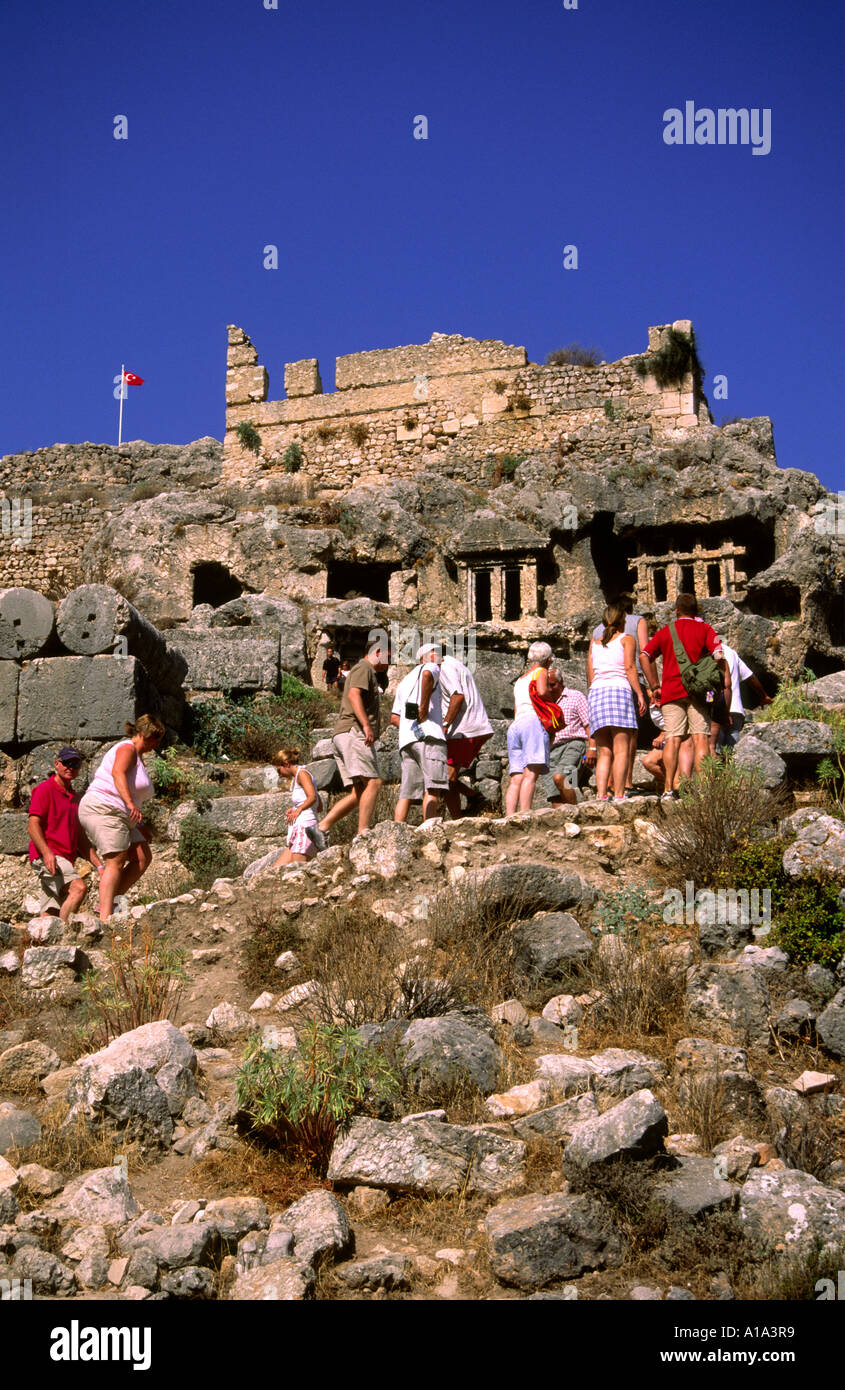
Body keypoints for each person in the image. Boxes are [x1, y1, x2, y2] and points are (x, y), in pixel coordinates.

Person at [640, 593, 731, 799]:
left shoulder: (665, 632)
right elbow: (718, 654)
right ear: (697, 610)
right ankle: (705, 790)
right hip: (699, 692)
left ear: (677, 611)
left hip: (671, 692)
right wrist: (717, 678)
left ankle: (669, 789)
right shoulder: (705, 629)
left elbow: (644, 656)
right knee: (700, 738)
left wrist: (654, 684)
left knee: (672, 739)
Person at [78, 715, 164, 922]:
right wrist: (129, 803)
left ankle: (111, 902)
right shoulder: (127, 749)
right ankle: (106, 919)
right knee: (115, 859)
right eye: (155, 738)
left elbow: (134, 794)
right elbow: (118, 773)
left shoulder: (138, 757)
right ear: (144, 734)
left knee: (142, 857)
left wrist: (140, 824)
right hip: (104, 807)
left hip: (122, 813)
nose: (156, 744)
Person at [317, 638, 390, 838]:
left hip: (343, 734)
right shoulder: (364, 668)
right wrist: (366, 725)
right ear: (377, 653)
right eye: (387, 657)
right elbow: (354, 695)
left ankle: (321, 828)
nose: (388, 663)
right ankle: (363, 836)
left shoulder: (365, 670)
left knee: (359, 792)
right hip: (353, 732)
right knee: (373, 783)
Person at [27, 747, 103, 921]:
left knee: (50, 912)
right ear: (57, 764)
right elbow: (32, 826)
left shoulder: (76, 799)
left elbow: (81, 838)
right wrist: (47, 854)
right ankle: (66, 935)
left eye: (75, 764)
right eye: (66, 763)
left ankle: (43, 944)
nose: (70, 767)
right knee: (78, 888)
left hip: (65, 858)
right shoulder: (44, 790)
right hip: (49, 855)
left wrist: (99, 866)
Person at [587, 603, 646, 803]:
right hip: (618, 691)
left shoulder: (594, 643)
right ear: (624, 620)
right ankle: (620, 794)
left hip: (596, 694)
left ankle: (601, 794)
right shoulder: (627, 639)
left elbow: (590, 673)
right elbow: (630, 667)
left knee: (604, 751)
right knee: (621, 749)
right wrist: (639, 693)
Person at [391, 642, 450, 823]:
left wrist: (411, 727)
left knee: (407, 793)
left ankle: (396, 830)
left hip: (408, 741)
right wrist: (423, 709)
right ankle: (429, 829)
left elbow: (394, 717)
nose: (441, 658)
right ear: (425, 656)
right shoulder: (430, 668)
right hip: (429, 736)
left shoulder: (404, 681)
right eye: (436, 653)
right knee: (434, 788)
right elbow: (426, 675)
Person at [439, 651, 494, 817]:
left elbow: (457, 697)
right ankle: (474, 797)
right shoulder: (455, 664)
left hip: (463, 730)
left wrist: (445, 725)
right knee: (444, 776)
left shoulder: (444, 668)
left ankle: (458, 820)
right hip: (472, 727)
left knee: (445, 779)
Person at [505, 642, 554, 816]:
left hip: (516, 724)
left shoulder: (520, 679)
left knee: (516, 777)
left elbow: (517, 707)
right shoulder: (540, 672)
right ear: (548, 660)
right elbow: (541, 692)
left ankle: (509, 816)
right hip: (532, 721)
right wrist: (552, 702)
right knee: (531, 773)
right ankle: (525, 813)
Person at [709, 638, 773, 753]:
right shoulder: (732, 653)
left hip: (718, 710)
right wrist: (763, 696)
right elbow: (750, 677)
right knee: (732, 753)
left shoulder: (709, 652)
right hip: (736, 710)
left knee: (715, 751)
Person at [543, 669, 593, 805]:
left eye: (552, 684)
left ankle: (576, 815)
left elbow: (588, 723)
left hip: (573, 745)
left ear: (561, 682)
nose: (549, 688)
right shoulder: (545, 703)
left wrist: (592, 748)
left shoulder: (575, 696)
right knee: (554, 795)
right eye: (546, 685)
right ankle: (564, 824)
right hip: (552, 751)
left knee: (562, 778)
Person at [272, 747, 323, 865]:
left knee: (296, 871)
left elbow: (312, 797)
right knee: (276, 870)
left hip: (305, 828)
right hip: (300, 828)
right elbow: (319, 806)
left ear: (286, 764)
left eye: (279, 771)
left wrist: (299, 810)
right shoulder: (298, 777)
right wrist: (296, 808)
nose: (279, 776)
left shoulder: (302, 774)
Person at [640, 707, 694, 792]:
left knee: (678, 778)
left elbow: (678, 720)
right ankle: (670, 783)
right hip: (668, 737)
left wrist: (663, 734)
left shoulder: (670, 703)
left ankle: (676, 788)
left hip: (679, 738)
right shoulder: (652, 705)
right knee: (648, 761)